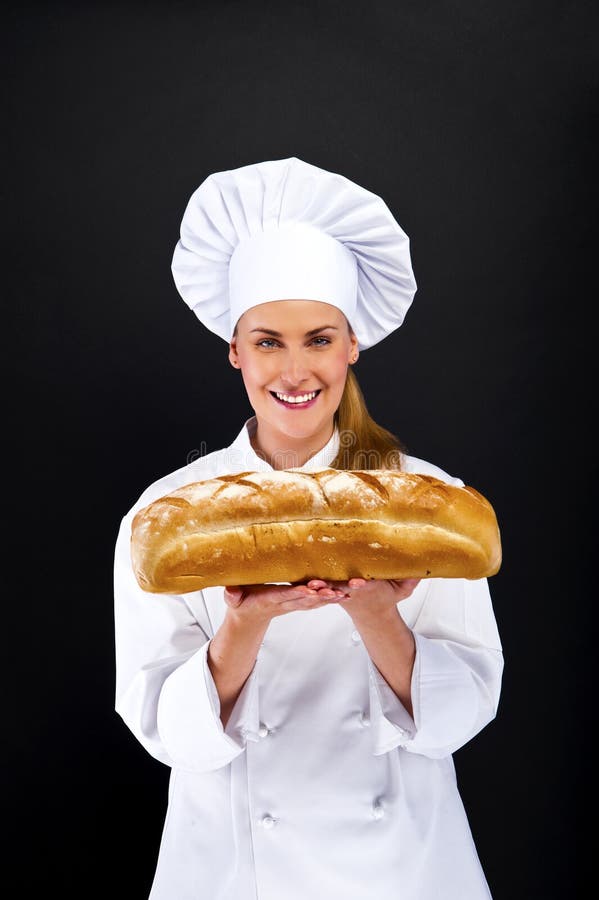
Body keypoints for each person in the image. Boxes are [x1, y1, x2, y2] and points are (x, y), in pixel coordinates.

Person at [113, 157, 503, 900]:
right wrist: (241, 628)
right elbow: (167, 735)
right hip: (234, 869)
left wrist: (377, 613)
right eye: (267, 341)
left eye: (319, 339)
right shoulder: (166, 518)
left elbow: (461, 714)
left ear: (352, 345)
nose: (295, 371)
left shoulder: (425, 504)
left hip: (404, 870)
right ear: (234, 350)